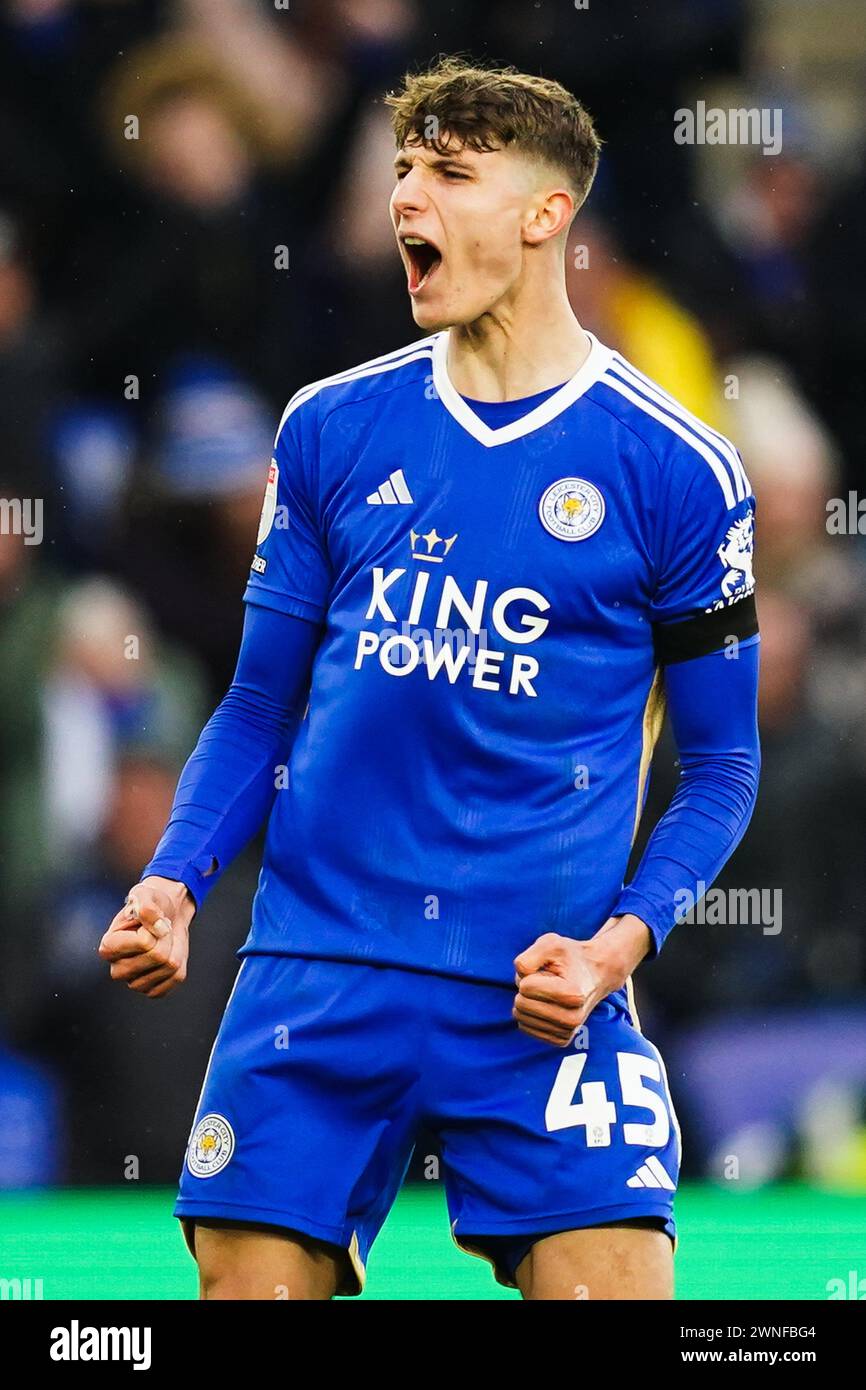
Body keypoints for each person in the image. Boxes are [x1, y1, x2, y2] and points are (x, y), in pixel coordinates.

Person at [99, 57, 761, 1301]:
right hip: (316, 970)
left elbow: (722, 765)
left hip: (538, 991)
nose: (408, 196)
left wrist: (620, 944)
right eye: (403, 168)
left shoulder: (677, 467)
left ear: (544, 212)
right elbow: (257, 707)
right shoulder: (329, 430)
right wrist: (174, 881)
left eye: (450, 173)